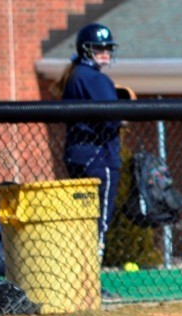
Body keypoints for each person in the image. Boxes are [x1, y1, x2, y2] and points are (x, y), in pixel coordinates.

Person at [51, 23, 121, 255]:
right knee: (98, 224)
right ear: (85, 50)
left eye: (108, 48)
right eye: (98, 48)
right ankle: (91, 282)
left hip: (77, 155)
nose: (105, 53)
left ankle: (82, 279)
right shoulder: (95, 78)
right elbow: (112, 119)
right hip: (100, 158)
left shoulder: (74, 75)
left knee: (83, 222)